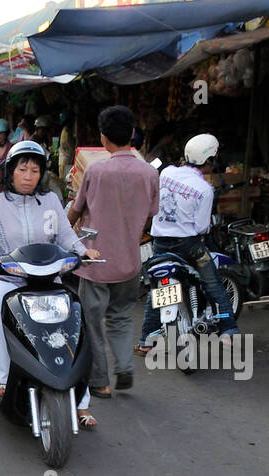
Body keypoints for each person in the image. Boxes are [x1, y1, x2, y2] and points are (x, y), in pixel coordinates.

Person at [0, 140, 102, 427]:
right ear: (10, 172)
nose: (29, 176)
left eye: (35, 170)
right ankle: (2, 374)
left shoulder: (51, 201)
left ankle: (82, 402)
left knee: (77, 325)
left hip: (50, 281)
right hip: (10, 280)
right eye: (23, 169)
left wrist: (83, 251)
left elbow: (67, 235)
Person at [66, 105, 160, 398]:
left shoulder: (95, 171)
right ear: (132, 134)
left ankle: (100, 382)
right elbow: (149, 217)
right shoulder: (149, 173)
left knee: (92, 324)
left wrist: (62, 234)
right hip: (130, 262)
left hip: (96, 263)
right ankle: (125, 367)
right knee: (119, 317)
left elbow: (76, 210)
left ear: (103, 138)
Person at [138, 132, 237, 349]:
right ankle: (227, 330)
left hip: (160, 243)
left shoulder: (166, 174)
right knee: (212, 282)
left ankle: (146, 340)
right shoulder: (204, 189)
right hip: (189, 247)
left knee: (159, 289)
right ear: (209, 160)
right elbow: (201, 227)